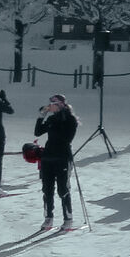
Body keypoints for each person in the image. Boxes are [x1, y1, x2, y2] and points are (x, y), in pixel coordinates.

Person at [33, 94, 79, 231]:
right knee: (47, 189)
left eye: (53, 103)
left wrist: (56, 120)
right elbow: (38, 132)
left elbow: (66, 138)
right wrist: (42, 117)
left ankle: (68, 218)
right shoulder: (52, 119)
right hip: (48, 157)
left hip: (62, 156)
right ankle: (48, 218)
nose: (50, 106)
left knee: (63, 189)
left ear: (60, 105)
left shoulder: (70, 119)